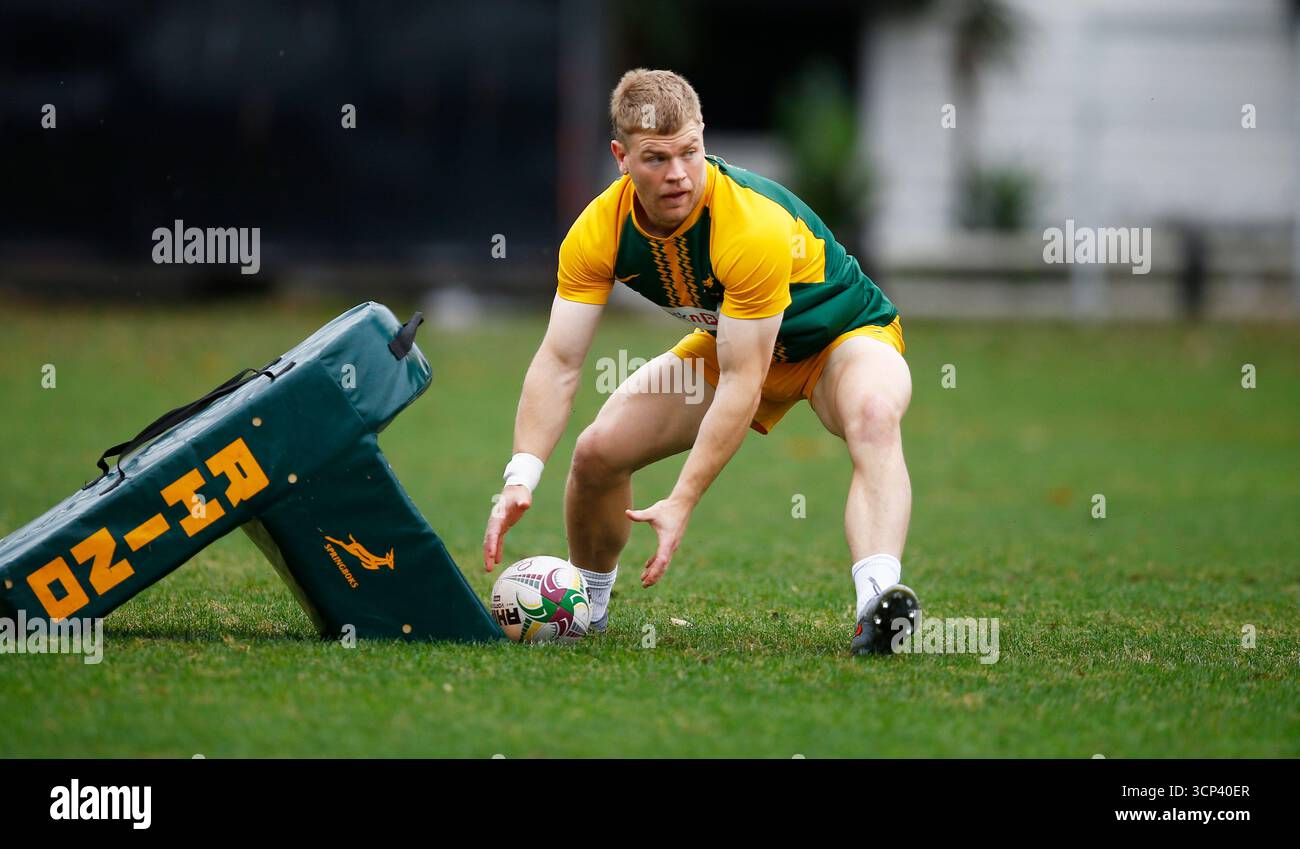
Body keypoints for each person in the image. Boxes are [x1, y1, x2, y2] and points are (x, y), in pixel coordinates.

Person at [483, 68, 918, 654]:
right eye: (656, 159)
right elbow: (559, 361)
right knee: (598, 452)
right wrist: (520, 475)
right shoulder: (597, 232)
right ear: (621, 156)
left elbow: (745, 383)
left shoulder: (750, 224)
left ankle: (878, 606)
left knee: (872, 413)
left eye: (690, 151)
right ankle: (584, 605)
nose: (678, 174)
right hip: (733, 342)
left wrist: (682, 498)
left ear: (703, 136)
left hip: (839, 338)